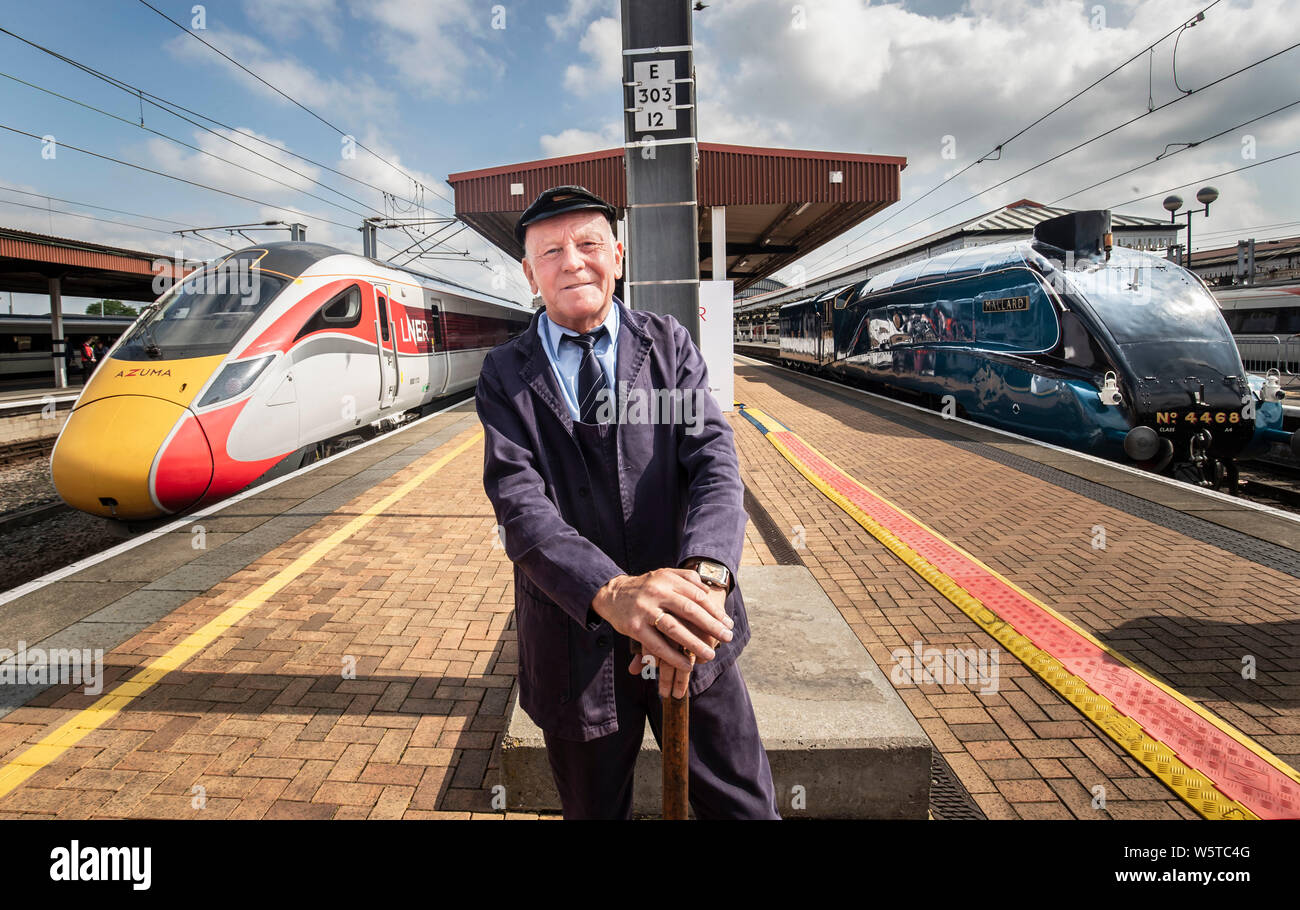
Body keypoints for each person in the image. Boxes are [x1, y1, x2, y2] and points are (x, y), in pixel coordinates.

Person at [475, 185, 779, 820]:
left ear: (618, 254)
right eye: (551, 251)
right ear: (530, 273)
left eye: (588, 243)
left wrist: (708, 575)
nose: (573, 261)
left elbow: (715, 464)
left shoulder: (667, 344)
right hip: (574, 641)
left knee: (742, 807)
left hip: (692, 625)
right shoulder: (505, 373)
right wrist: (611, 593)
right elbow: (520, 506)